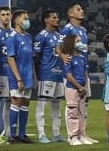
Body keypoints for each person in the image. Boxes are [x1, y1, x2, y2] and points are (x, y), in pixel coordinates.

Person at [60, 3, 96, 145]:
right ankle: (72, 135)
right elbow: (59, 46)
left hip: (82, 69)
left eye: (81, 9)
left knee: (83, 104)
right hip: (71, 72)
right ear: (70, 14)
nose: (82, 11)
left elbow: (83, 50)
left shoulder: (83, 30)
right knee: (72, 106)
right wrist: (63, 56)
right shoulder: (67, 29)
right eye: (78, 9)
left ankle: (82, 134)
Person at [34, 9, 66, 143]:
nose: (57, 19)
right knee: (42, 104)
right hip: (46, 74)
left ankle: (56, 133)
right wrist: (37, 76)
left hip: (59, 74)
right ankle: (41, 134)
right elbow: (36, 57)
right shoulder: (41, 36)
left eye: (57, 17)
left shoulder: (59, 36)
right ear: (46, 20)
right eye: (54, 17)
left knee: (56, 105)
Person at [5, 9, 35, 143]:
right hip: (17, 76)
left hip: (28, 75)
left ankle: (22, 134)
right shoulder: (12, 37)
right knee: (16, 101)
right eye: (25, 18)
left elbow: (31, 59)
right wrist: (19, 78)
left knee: (25, 103)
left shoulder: (28, 37)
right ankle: (12, 135)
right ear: (17, 21)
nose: (27, 21)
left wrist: (34, 76)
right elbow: (11, 59)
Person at [62, 33, 90, 147]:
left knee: (82, 112)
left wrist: (85, 87)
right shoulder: (68, 58)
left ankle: (81, 135)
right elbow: (68, 75)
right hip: (72, 89)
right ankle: (73, 137)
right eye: (77, 41)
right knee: (73, 112)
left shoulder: (82, 57)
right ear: (71, 43)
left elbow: (84, 73)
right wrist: (79, 87)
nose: (80, 43)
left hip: (82, 88)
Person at [0, 6, 13, 140]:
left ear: (11, 17)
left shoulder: (14, 33)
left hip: (11, 74)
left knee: (9, 103)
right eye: (3, 14)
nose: (5, 17)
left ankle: (8, 132)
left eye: (7, 14)